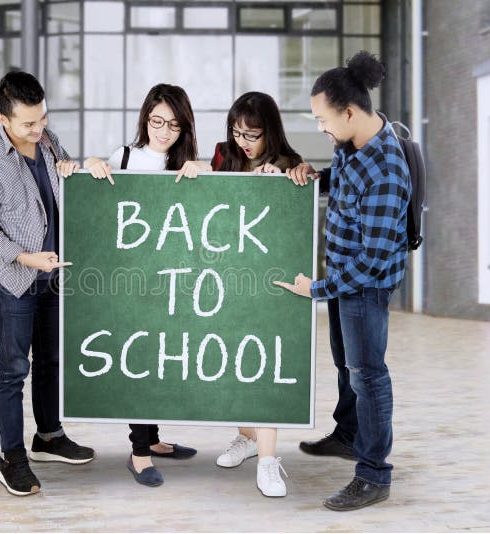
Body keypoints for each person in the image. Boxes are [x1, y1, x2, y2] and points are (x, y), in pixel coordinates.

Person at [277, 51, 411, 511]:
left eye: (322, 119)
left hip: (362, 288)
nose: (320, 128)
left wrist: (313, 289)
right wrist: (317, 179)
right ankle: (349, 435)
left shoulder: (387, 171)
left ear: (349, 112)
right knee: (345, 362)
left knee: (368, 374)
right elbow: (346, 181)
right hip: (342, 277)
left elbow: (372, 263)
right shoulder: (353, 144)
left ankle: (373, 474)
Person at [0, 71, 95, 497]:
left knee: (51, 362)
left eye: (42, 119)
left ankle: (49, 437)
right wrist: (24, 256)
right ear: (4, 119)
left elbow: (65, 187)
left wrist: (75, 169)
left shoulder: (50, 140)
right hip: (15, 279)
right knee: (14, 370)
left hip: (54, 276)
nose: (38, 130)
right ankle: (12, 458)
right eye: (28, 124)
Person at [83, 83, 208, 487]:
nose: (164, 130)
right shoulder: (124, 156)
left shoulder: (186, 164)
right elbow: (92, 199)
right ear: (145, 119)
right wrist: (90, 163)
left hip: (173, 279)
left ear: (183, 126)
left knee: (161, 359)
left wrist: (202, 168)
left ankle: (152, 440)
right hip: (132, 280)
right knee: (139, 360)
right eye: (157, 121)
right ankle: (138, 453)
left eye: (173, 123)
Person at [209, 91, 303, 498]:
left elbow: (297, 218)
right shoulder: (223, 155)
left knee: (265, 366)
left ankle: (267, 461)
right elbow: (207, 202)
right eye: (236, 131)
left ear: (271, 132)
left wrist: (284, 182)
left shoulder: (289, 163)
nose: (243, 141)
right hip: (225, 277)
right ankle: (247, 438)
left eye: (252, 134)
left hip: (269, 283)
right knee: (234, 363)